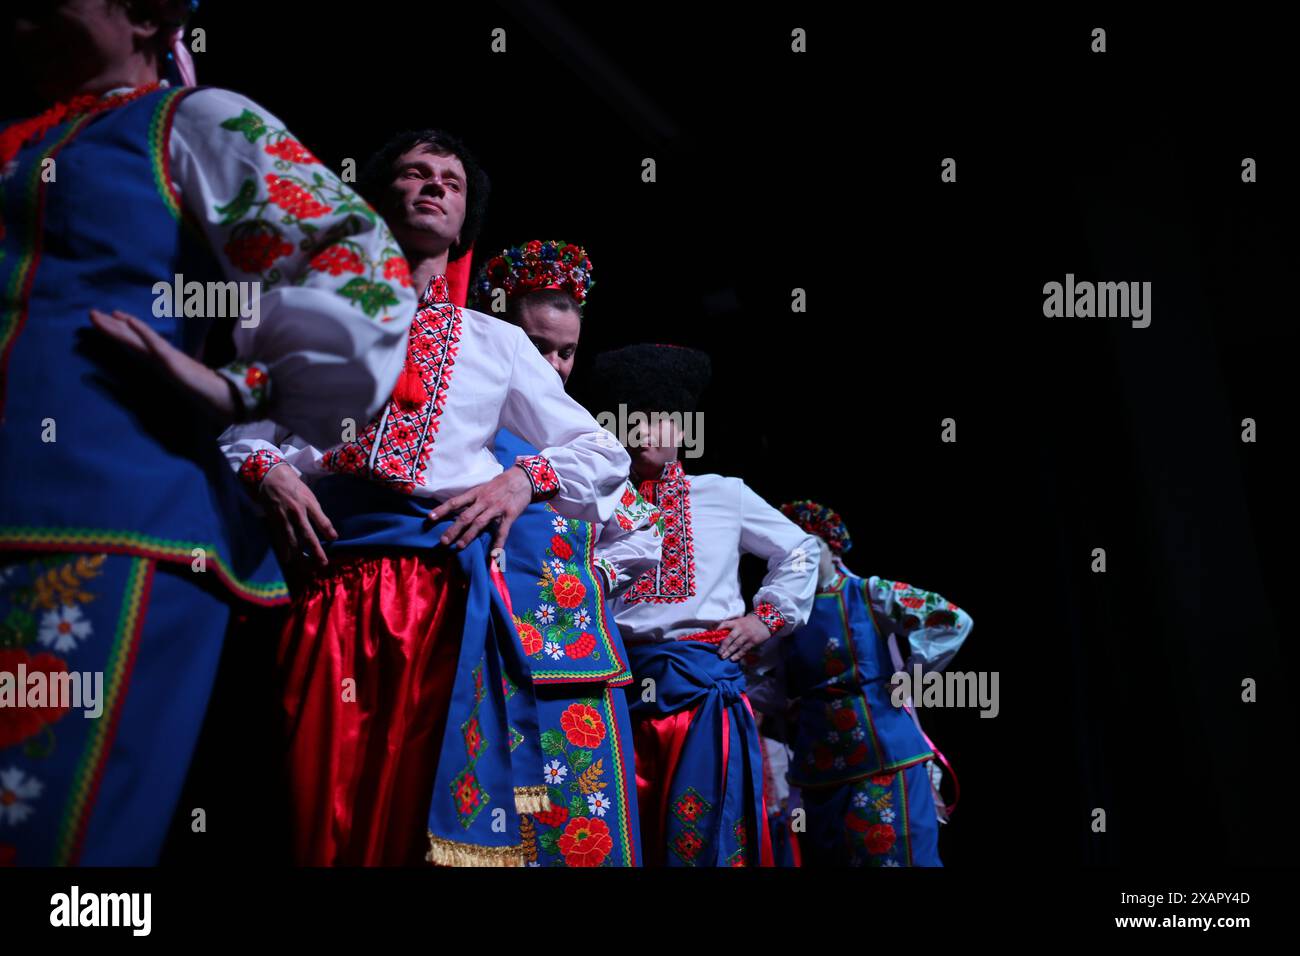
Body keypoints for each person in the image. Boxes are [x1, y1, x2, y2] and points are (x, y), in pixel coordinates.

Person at [0, 0, 414, 865]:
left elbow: (351, 256)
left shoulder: (191, 120)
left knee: (44, 839)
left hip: (101, 523)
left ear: (147, 13)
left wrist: (245, 386)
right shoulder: (18, 143)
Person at [219, 133, 636, 866]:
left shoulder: (496, 342)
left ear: (465, 218)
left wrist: (520, 480)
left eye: (451, 180)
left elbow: (603, 452)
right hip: (322, 576)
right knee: (312, 793)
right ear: (381, 197)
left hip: (439, 587)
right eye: (415, 173)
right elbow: (232, 427)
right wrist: (268, 471)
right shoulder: (308, 310)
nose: (433, 186)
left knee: (420, 798)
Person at [589, 343, 819, 866]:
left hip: (700, 694)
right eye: (632, 420)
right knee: (625, 836)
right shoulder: (595, 504)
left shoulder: (722, 494)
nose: (645, 431)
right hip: (616, 693)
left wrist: (768, 618)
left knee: (701, 837)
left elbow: (801, 549)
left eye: (659, 419)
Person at [471, 240, 663, 866]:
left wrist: (594, 574)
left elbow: (643, 530)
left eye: (567, 350)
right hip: (480, 655)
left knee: (580, 824)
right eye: (538, 347)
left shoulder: (580, 440)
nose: (553, 366)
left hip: (572, 664)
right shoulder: (464, 423)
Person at [777, 500, 973, 866]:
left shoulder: (868, 593)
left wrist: (910, 679)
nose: (799, 558)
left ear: (832, 551)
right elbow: (759, 679)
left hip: (885, 760)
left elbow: (951, 619)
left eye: (810, 547)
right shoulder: (782, 617)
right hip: (820, 774)